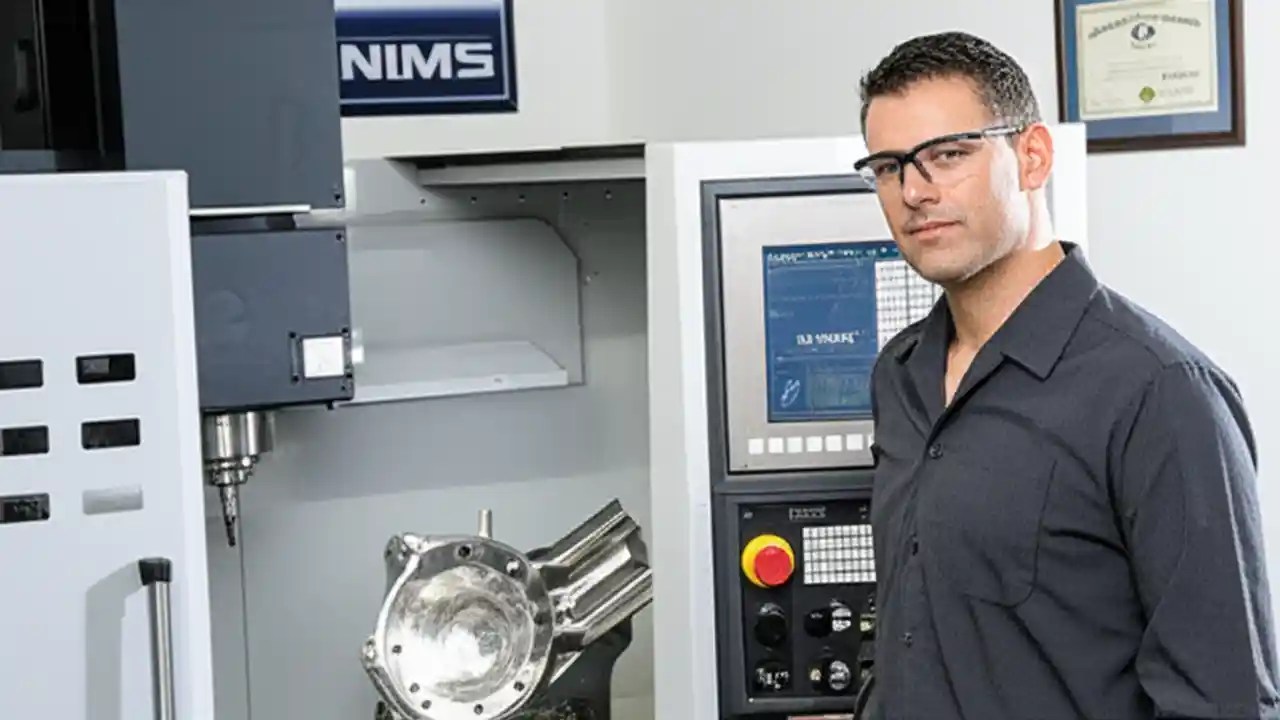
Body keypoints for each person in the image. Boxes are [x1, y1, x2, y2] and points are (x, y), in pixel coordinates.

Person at [854, 31, 1280, 720]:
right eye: (888, 166)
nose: (913, 191)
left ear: (1032, 156)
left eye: (948, 155)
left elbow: (1223, 699)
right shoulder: (900, 377)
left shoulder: (1160, 391)